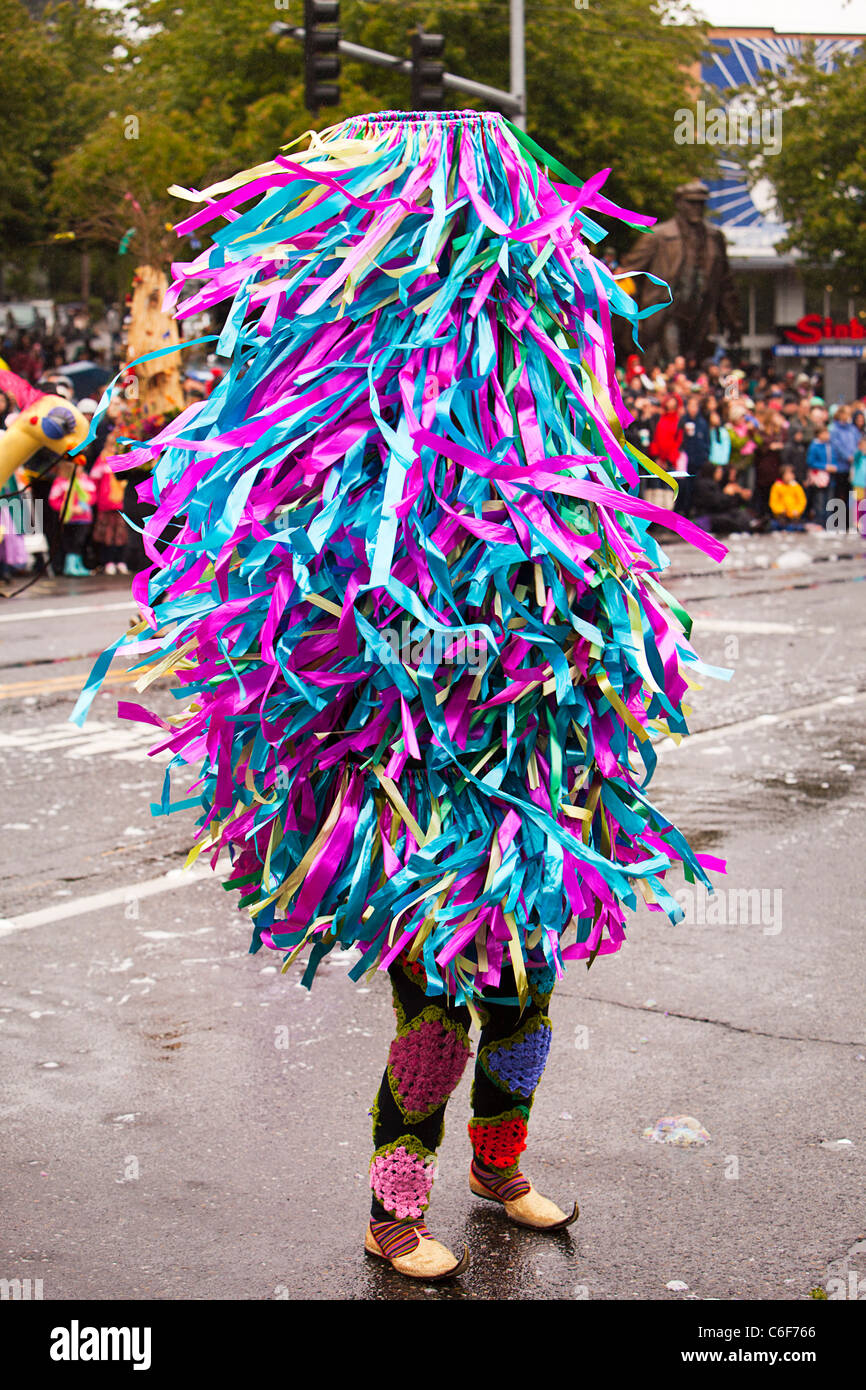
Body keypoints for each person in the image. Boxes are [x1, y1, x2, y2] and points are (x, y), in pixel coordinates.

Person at [49, 459, 95, 577]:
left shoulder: (85, 480)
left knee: (79, 541)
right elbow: (53, 499)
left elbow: (92, 496)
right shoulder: (61, 482)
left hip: (83, 517)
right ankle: (70, 566)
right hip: (68, 518)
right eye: (77, 467)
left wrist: (82, 506)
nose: (80, 469)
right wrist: (68, 508)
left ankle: (77, 565)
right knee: (69, 542)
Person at [806, 427, 833, 525]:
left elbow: (833, 458)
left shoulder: (829, 445)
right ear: (819, 434)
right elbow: (810, 462)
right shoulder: (814, 446)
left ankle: (828, 523)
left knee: (830, 500)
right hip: (819, 477)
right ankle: (820, 523)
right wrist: (825, 466)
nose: (827, 435)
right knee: (820, 501)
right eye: (825, 433)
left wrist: (834, 466)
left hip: (830, 476)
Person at [769, 464, 807, 530]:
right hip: (781, 515)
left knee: (797, 527)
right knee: (775, 524)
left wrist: (797, 510)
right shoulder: (777, 486)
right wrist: (779, 510)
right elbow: (773, 501)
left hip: (794, 514)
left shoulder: (796, 486)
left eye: (791, 474)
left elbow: (802, 501)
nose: (789, 476)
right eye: (787, 474)